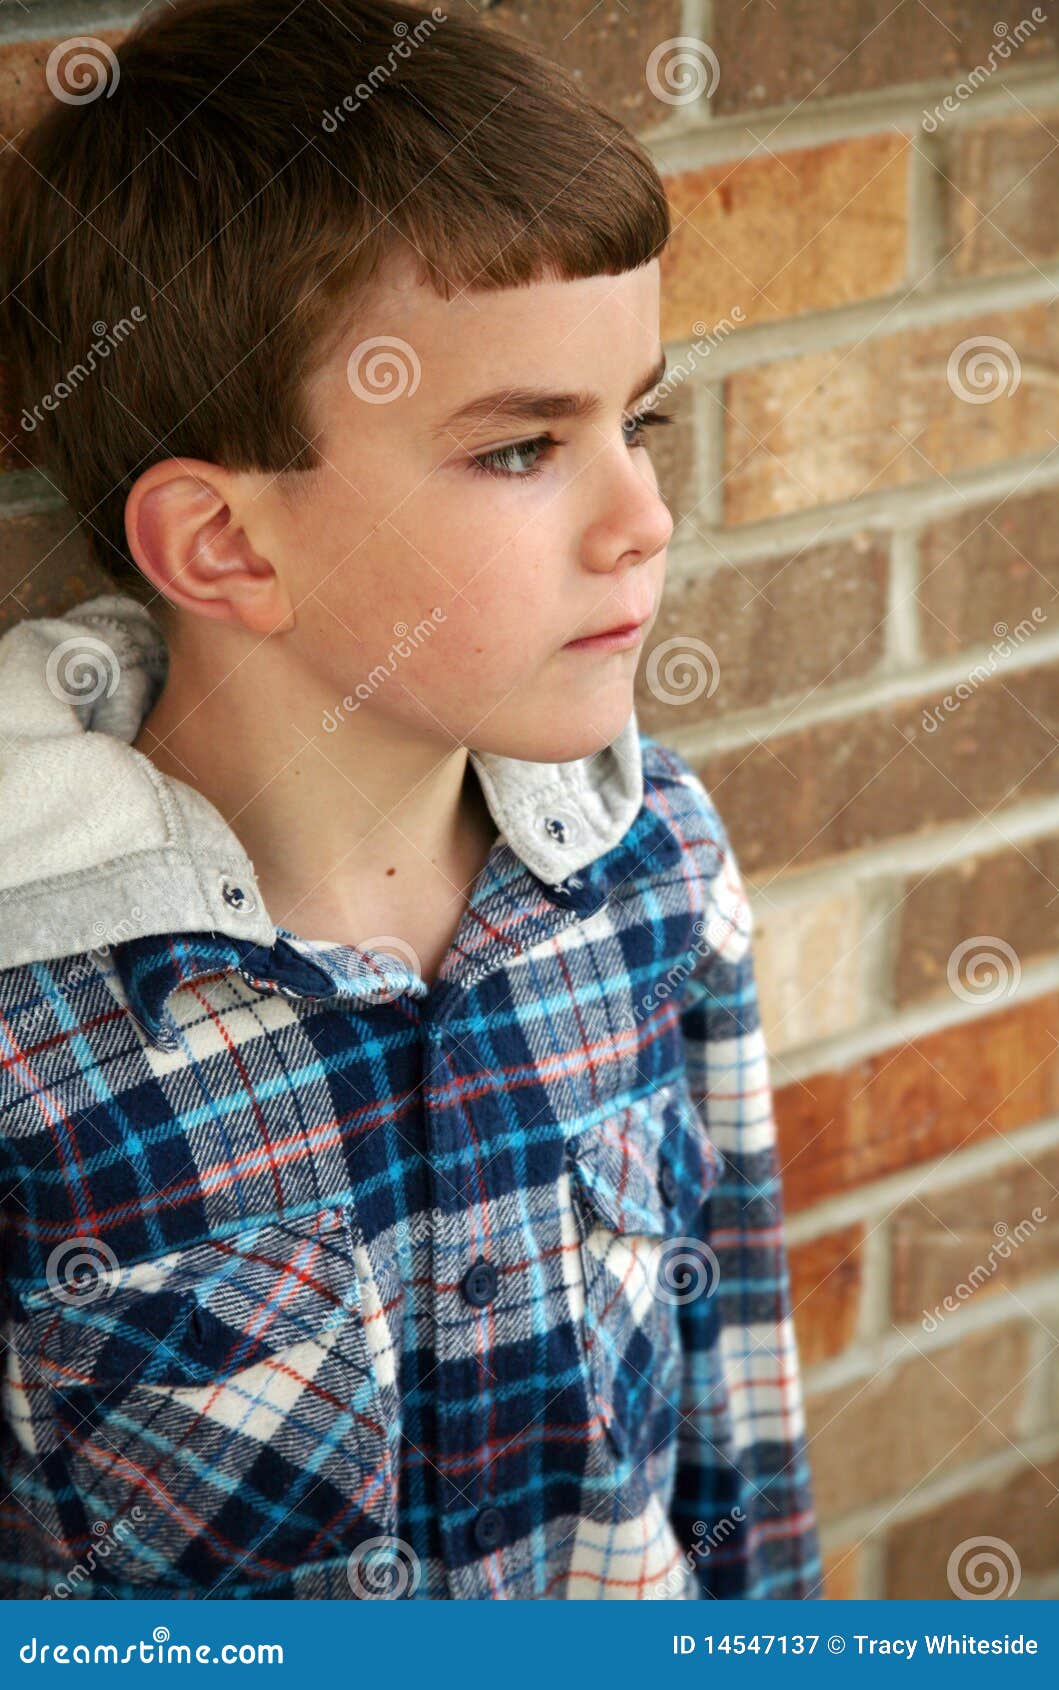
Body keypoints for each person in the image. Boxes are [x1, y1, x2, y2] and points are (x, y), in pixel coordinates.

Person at [0, 0, 821, 1600]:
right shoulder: (30, 1011)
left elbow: (738, 1431)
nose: (644, 517)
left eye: (634, 420)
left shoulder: (658, 866)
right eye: (522, 449)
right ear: (227, 546)